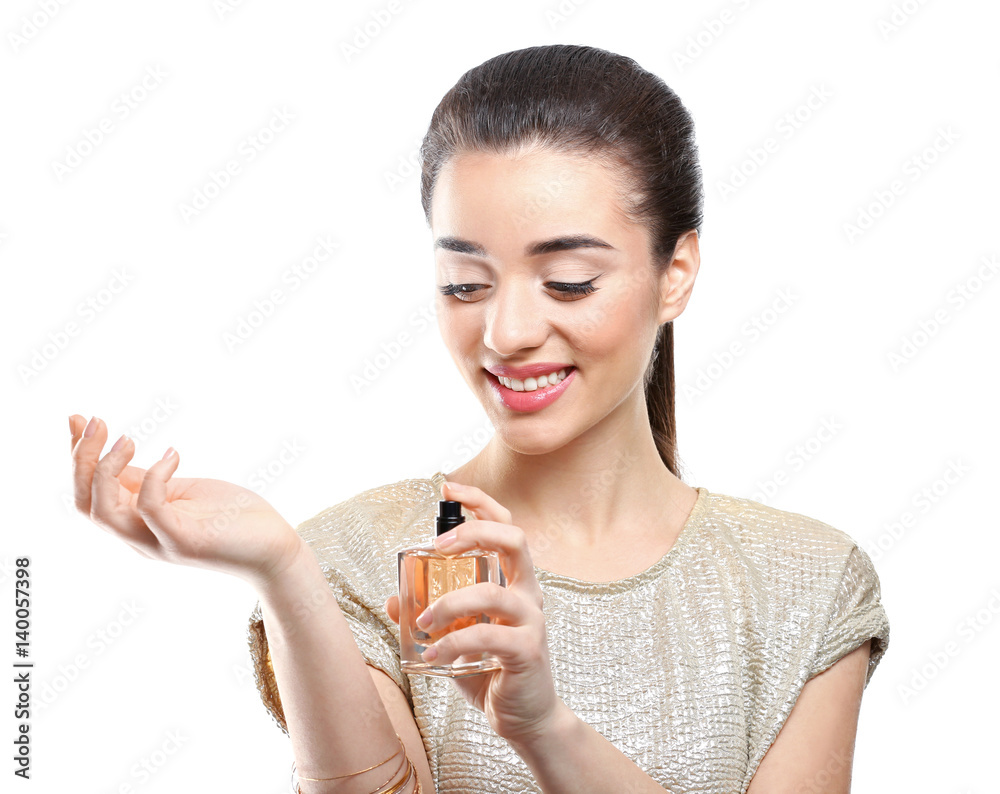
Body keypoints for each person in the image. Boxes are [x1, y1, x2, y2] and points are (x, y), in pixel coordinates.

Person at [70, 44, 889, 794]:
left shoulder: (804, 585)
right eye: (465, 283)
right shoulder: (359, 563)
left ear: (675, 273)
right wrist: (287, 573)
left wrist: (544, 728)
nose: (505, 333)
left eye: (567, 280)